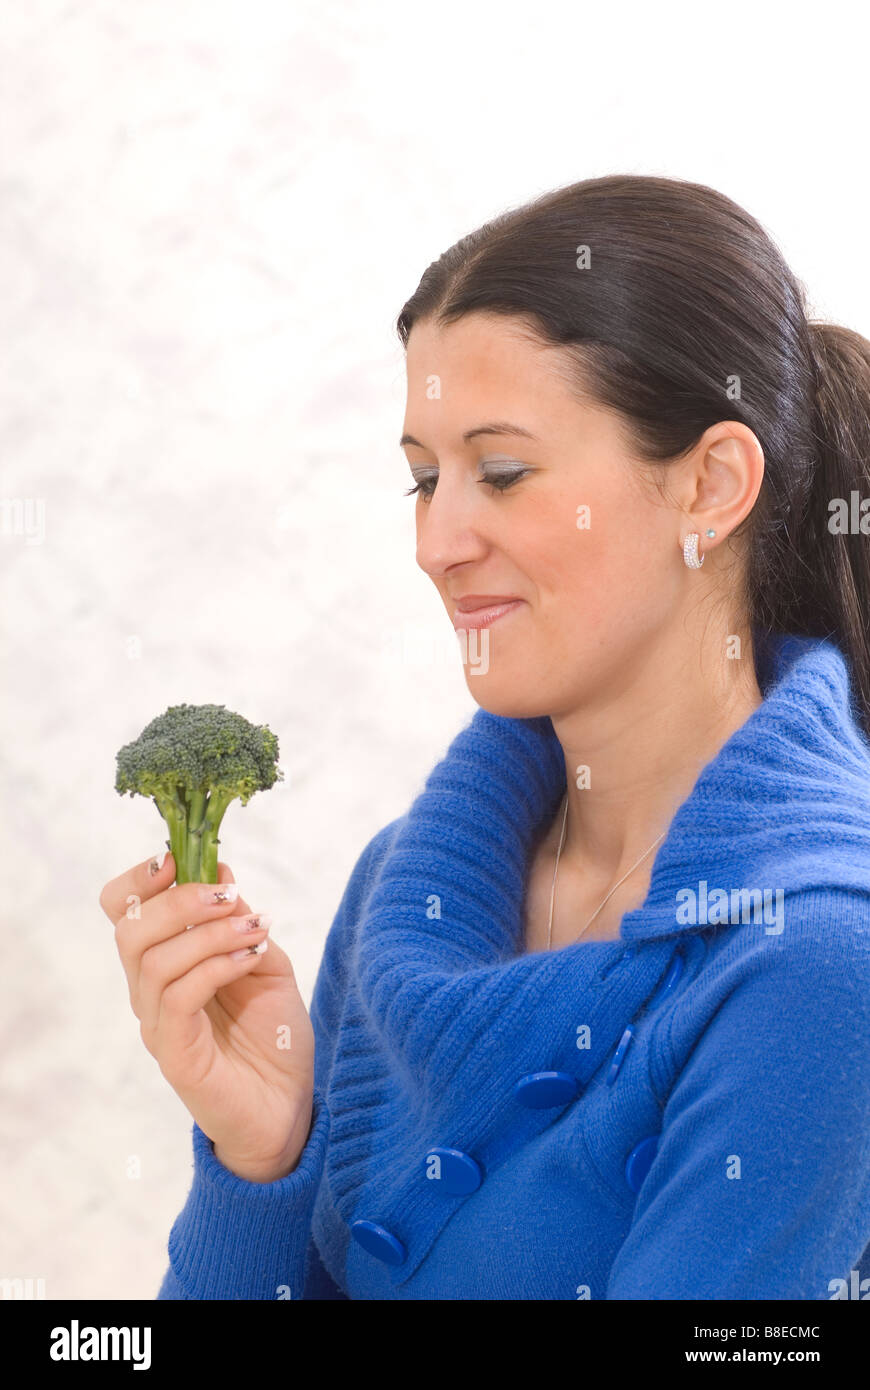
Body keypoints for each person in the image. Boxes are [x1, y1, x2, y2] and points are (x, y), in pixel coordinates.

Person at [100, 174, 870, 1300]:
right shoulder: (399, 891)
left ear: (710, 486)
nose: (437, 541)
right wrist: (265, 1156)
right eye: (422, 478)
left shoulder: (817, 969)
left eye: (501, 472)